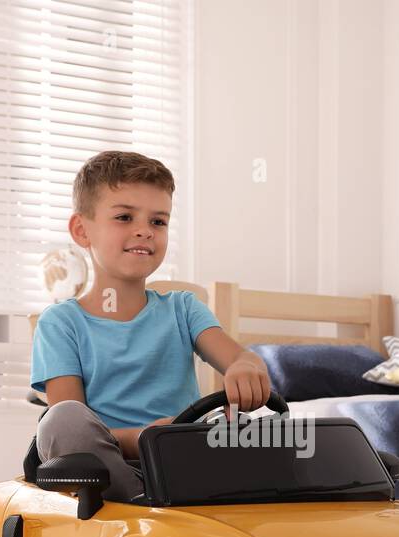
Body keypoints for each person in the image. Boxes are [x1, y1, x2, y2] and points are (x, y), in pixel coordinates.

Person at [31, 150, 271, 501]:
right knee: (62, 420)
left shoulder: (184, 308)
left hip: (187, 459)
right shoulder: (61, 322)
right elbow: (69, 422)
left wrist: (246, 368)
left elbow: (240, 358)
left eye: (158, 222)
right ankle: (142, 503)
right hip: (111, 470)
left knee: (269, 436)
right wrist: (145, 436)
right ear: (82, 230)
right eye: (125, 217)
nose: (144, 231)